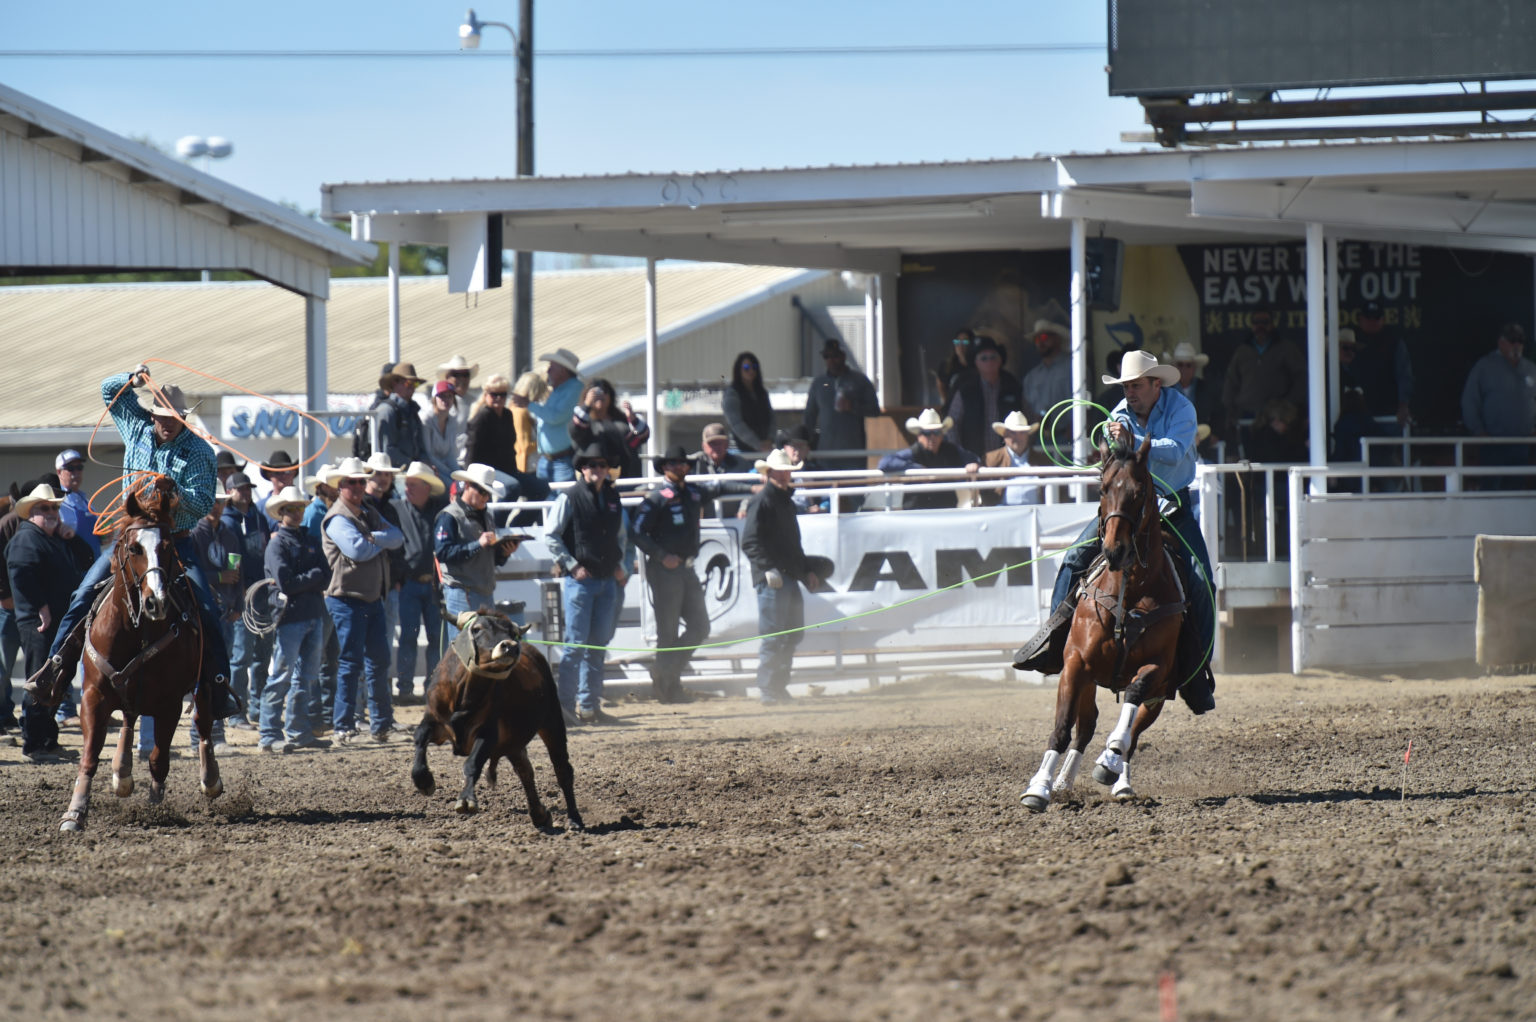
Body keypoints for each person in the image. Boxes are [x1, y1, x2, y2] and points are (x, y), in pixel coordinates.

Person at [27, 369, 239, 725]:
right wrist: (133, 377)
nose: (169, 424)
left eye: (176, 418)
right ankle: (55, 669)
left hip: (175, 543)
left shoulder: (200, 451)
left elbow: (202, 502)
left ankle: (217, 685)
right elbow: (108, 391)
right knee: (83, 596)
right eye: (164, 417)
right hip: (130, 540)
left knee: (205, 607)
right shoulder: (136, 426)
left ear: (183, 418)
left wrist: (176, 494)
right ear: (153, 414)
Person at [1012, 349, 1216, 715]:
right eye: (1126, 386)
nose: (1130, 392)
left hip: (1172, 505)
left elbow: (1175, 449)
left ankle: (1197, 671)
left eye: (1136, 385)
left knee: (1202, 581)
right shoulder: (1119, 414)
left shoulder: (1181, 408)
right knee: (1075, 556)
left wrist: (1134, 444)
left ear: (1156, 384)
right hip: (1129, 508)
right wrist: (1115, 444)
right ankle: (1053, 639)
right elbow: (1116, 462)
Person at [321, 456, 405, 745]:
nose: (356, 486)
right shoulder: (336, 517)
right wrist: (376, 541)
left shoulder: (365, 512)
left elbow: (397, 537)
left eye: (359, 481)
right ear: (341, 486)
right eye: (351, 482)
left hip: (368, 598)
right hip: (347, 599)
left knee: (377, 662)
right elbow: (356, 550)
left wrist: (372, 538)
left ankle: (379, 724)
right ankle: (344, 726)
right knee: (351, 664)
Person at [545, 444, 630, 723]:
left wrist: (621, 566)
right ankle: (567, 707)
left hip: (604, 580)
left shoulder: (612, 497)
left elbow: (620, 538)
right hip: (582, 582)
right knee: (576, 646)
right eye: (591, 465)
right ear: (583, 469)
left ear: (606, 468)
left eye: (601, 464)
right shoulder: (569, 498)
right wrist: (572, 566)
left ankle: (589, 706)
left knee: (596, 646)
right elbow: (551, 535)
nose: (597, 469)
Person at [7, 483, 89, 762]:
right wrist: (40, 606)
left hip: (56, 621)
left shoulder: (53, 538)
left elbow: (87, 558)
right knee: (39, 680)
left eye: (55, 507)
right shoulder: (26, 538)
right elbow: (21, 574)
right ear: (31, 513)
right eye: (45, 508)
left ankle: (47, 740)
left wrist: (71, 536)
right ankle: (35, 744)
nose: (53, 512)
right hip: (38, 623)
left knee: (53, 682)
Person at [741, 448, 822, 705]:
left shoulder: (782, 501)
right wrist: (768, 569)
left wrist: (805, 570)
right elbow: (750, 542)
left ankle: (776, 687)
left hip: (786, 576)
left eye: (787, 470)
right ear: (770, 472)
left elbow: (792, 545)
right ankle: (769, 689)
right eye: (781, 470)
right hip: (774, 579)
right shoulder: (764, 501)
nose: (785, 474)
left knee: (790, 634)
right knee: (776, 636)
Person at [632, 445, 709, 704]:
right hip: (665, 572)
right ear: (664, 467)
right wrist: (661, 555)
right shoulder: (657, 498)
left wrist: (754, 488)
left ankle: (665, 672)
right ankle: (668, 687)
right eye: (672, 463)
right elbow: (637, 531)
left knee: (700, 626)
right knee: (668, 631)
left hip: (686, 568)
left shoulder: (693, 493)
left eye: (681, 462)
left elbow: (721, 490)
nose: (678, 467)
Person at [261, 485, 332, 753]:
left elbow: (321, 575)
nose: (298, 512)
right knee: (283, 676)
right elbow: (287, 583)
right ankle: (269, 734)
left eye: (301, 507)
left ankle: (296, 731)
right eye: (292, 509)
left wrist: (309, 579)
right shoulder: (277, 544)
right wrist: (313, 578)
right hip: (292, 618)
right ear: (282, 512)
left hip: (310, 614)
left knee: (306, 676)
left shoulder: (306, 540)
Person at [435, 463, 520, 642]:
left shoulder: (487, 516)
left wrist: (504, 552)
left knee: (485, 647)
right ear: (467, 486)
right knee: (463, 646)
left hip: (483, 592)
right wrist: (477, 544)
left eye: (487, 493)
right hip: (461, 591)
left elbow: (490, 559)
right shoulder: (449, 516)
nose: (485, 497)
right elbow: (443, 553)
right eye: (481, 491)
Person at [221, 471, 272, 727]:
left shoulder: (258, 516)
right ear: (230, 492)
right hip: (245, 596)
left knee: (263, 654)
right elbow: (233, 559)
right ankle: (236, 711)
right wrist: (238, 592)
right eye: (240, 489)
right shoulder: (228, 522)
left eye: (248, 488)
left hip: (263, 593)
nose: (246, 492)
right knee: (241, 656)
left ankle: (259, 708)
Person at [1461, 322, 1536, 489]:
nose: (1516, 345)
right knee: (1491, 492)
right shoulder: (1485, 366)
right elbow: (1469, 401)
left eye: (1520, 341)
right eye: (1512, 340)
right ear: (1501, 342)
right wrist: (1478, 431)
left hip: (1523, 445)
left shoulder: (1531, 369)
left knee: (1517, 495)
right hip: (1493, 444)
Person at [393, 461, 445, 703]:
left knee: (436, 636)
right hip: (410, 583)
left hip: (432, 584)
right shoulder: (397, 509)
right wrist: (398, 576)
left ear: (426, 486)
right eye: (407, 484)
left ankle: (431, 685)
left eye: (413, 484)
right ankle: (404, 688)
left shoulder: (440, 510)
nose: (408, 489)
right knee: (409, 637)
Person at [1222, 310, 1307, 452]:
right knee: (1249, 458)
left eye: (1265, 322)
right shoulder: (1242, 351)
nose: (1260, 326)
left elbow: (1302, 378)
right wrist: (1230, 410)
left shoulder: (1286, 348)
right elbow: (1231, 381)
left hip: (1277, 417)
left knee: (1276, 456)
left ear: (1272, 324)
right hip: (1247, 416)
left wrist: (1288, 404)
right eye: (1256, 322)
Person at [464, 374, 551, 506]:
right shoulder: (482, 417)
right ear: (486, 394)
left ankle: (519, 524)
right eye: (494, 394)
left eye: (503, 395)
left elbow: (510, 448)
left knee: (542, 488)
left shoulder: (507, 415)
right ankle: (496, 523)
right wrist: (469, 478)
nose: (499, 398)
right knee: (512, 487)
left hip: (508, 471)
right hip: (487, 472)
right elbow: (471, 450)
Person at [877, 409, 980, 511]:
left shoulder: (951, 450)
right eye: (927, 433)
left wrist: (972, 464)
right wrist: (918, 470)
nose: (932, 437)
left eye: (936, 432)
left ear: (942, 435)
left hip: (946, 512)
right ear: (919, 436)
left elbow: (974, 458)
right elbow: (885, 463)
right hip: (916, 514)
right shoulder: (914, 453)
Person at [803, 338, 880, 471]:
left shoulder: (859, 380)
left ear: (843, 356)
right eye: (827, 356)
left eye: (835, 356)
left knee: (853, 490)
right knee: (826, 490)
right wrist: (805, 441)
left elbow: (875, 410)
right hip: (826, 453)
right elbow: (809, 416)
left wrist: (853, 407)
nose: (831, 360)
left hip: (853, 452)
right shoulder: (819, 383)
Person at [363, 453, 405, 695]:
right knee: (369, 648)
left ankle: (379, 699)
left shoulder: (389, 507)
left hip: (387, 586)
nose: (384, 478)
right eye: (379, 473)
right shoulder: (363, 507)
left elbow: (399, 548)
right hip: (369, 585)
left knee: (383, 647)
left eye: (387, 474)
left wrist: (398, 579)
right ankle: (371, 702)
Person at [946, 336, 1022, 457]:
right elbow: (952, 425)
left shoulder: (1012, 386)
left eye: (993, 357)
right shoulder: (965, 390)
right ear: (976, 363)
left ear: (1000, 360)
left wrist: (1020, 452)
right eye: (984, 358)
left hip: (1008, 460)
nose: (989, 361)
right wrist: (960, 455)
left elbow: (1028, 420)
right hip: (973, 460)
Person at [570, 377, 650, 480]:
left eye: (604, 391)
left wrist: (633, 419)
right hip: (594, 479)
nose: (600, 395)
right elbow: (575, 431)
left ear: (610, 396)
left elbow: (642, 437)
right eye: (595, 392)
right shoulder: (583, 421)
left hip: (627, 477)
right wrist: (587, 405)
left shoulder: (622, 421)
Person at [1352, 300, 1413, 427]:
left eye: (1376, 318)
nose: (1372, 322)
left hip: (1388, 414)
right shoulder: (1349, 340)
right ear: (1360, 319)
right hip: (1356, 414)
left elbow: (1404, 375)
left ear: (1383, 319)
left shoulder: (1394, 341)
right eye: (1369, 318)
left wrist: (1403, 405)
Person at [528, 348, 585, 482]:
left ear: (563, 371)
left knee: (561, 497)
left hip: (562, 460)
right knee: (547, 499)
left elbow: (556, 417)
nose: (548, 371)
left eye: (552, 367)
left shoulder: (574, 389)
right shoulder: (560, 389)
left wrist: (529, 404)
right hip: (548, 459)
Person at [1021, 320, 1074, 450]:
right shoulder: (1031, 376)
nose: (1040, 342)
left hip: (1067, 438)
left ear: (1057, 339)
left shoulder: (1073, 368)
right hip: (1038, 440)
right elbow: (1027, 410)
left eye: (1044, 337)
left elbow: (1084, 403)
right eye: (1036, 339)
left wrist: (1074, 429)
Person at [978, 410, 1044, 507]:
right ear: (1005, 435)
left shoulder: (1042, 460)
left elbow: (1060, 491)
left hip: (1038, 512)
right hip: (1002, 513)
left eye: (1022, 433)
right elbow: (980, 490)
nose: (1018, 437)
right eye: (1013, 433)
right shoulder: (990, 459)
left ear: (1027, 436)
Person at [692, 421, 756, 518]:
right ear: (703, 446)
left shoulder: (741, 464)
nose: (717, 447)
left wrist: (744, 509)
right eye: (712, 443)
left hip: (735, 523)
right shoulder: (693, 463)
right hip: (703, 524)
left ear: (726, 444)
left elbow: (750, 488)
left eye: (720, 443)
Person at [1164, 342, 1221, 442]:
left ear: (1194, 368)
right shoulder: (1165, 391)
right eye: (1180, 365)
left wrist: (1215, 433)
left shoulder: (1206, 388)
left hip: (1202, 442)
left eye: (1188, 365)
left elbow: (1218, 412)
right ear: (1174, 367)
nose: (1184, 369)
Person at [722, 351, 775, 454]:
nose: (751, 370)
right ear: (739, 370)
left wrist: (770, 439)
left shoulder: (762, 393)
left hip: (764, 450)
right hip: (739, 452)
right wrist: (758, 444)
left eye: (754, 366)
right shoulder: (732, 394)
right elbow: (736, 424)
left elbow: (772, 418)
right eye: (746, 367)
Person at [375, 362, 427, 468]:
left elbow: (421, 447)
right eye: (409, 383)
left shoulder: (413, 411)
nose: (412, 387)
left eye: (415, 384)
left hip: (412, 471)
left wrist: (426, 464)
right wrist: (412, 465)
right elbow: (387, 450)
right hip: (393, 473)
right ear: (395, 384)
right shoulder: (387, 411)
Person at [54, 449, 100, 558]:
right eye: (70, 468)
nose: (76, 473)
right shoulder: (56, 502)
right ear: (59, 472)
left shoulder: (86, 501)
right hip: (73, 568)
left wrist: (105, 535)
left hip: (94, 563)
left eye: (79, 468)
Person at [420, 380, 464, 487]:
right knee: (452, 488)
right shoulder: (426, 420)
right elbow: (429, 455)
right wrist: (450, 473)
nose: (446, 400)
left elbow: (450, 455)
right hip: (430, 469)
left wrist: (459, 476)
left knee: (462, 485)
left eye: (450, 396)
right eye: (442, 396)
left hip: (446, 469)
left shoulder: (453, 421)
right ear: (435, 398)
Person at [437, 354, 479, 453]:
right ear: (447, 378)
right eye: (456, 375)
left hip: (471, 459)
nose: (462, 379)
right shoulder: (440, 402)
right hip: (448, 458)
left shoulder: (476, 402)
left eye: (465, 375)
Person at [509, 370, 549, 473]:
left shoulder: (522, 410)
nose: (539, 397)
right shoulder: (519, 412)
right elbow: (525, 447)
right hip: (527, 468)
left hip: (533, 466)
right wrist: (545, 440)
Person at [932, 328, 976, 409]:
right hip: (953, 408)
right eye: (957, 342)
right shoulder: (947, 365)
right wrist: (946, 401)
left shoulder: (978, 365)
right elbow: (940, 383)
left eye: (965, 342)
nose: (961, 345)